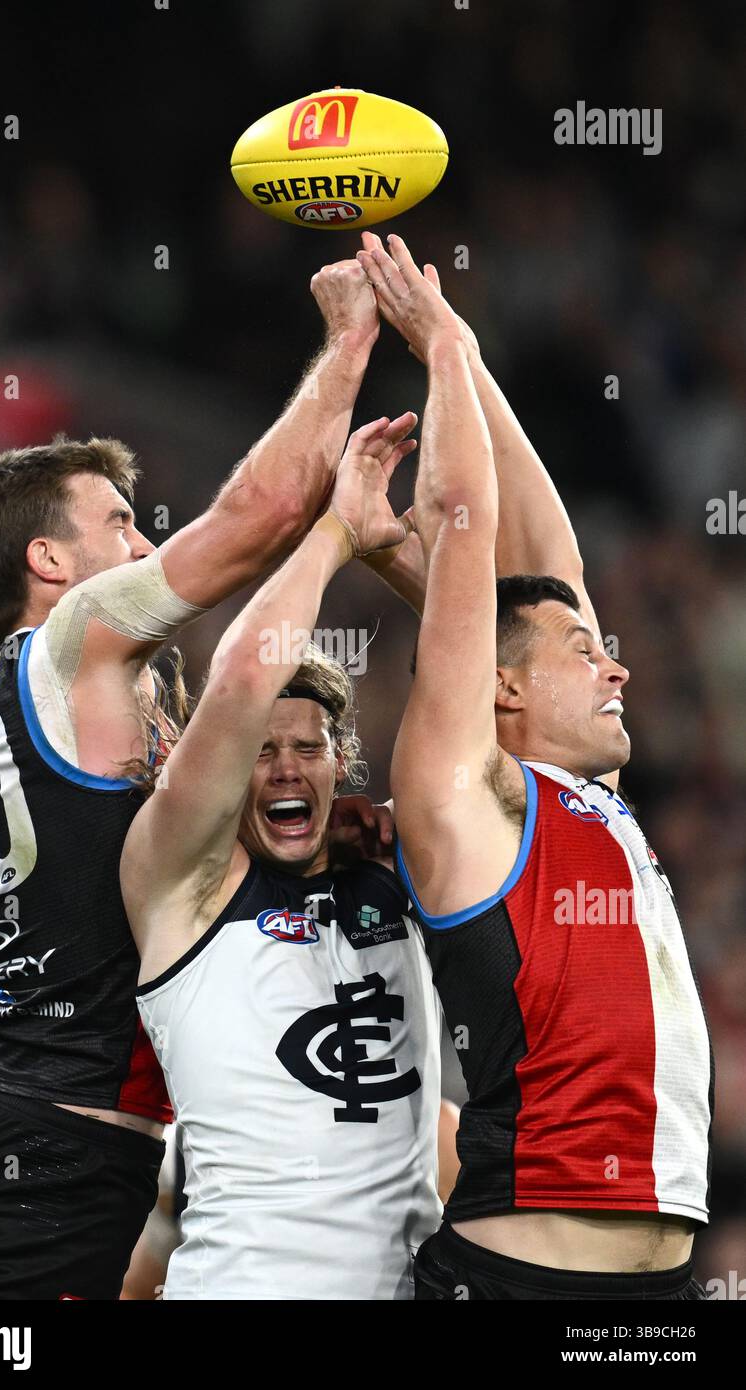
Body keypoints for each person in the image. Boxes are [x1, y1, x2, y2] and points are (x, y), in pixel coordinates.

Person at [0, 258, 398, 1301]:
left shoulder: (20, 693)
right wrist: (345, 352)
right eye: (118, 521)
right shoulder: (72, 636)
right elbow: (259, 511)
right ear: (48, 561)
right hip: (54, 1139)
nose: (146, 539)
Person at [356, 232, 713, 1301]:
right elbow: (471, 544)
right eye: (585, 655)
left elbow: (545, 565)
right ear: (503, 692)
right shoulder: (467, 796)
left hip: (655, 1289)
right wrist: (437, 359)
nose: (617, 666)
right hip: (522, 1282)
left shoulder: (585, 800)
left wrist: (460, 342)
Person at [121, 416, 443, 1300]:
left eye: (309, 747)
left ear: (343, 762)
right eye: (262, 752)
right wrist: (336, 534)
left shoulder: (400, 865)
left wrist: (389, 555)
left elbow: (503, 681)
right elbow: (238, 681)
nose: (287, 767)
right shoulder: (178, 882)